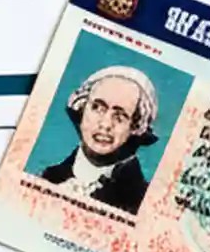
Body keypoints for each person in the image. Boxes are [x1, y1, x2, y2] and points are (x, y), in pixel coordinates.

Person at [41, 66, 160, 215]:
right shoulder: (48, 176)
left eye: (120, 116)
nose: (105, 124)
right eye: (97, 108)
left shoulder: (141, 202)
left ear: (136, 127)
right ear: (82, 108)